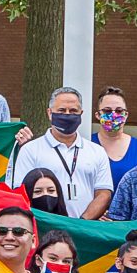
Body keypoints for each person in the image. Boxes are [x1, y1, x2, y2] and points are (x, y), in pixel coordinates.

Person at [13, 88, 116, 218]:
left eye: (73, 111)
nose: (67, 115)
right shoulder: (30, 150)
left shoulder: (97, 151)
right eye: (61, 110)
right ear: (50, 113)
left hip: (85, 228)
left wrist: (81, 223)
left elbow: (103, 194)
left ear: (81, 113)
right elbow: (21, 194)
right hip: (45, 227)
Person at [91, 87, 137, 185]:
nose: (114, 115)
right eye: (107, 111)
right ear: (98, 115)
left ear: (126, 114)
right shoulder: (86, 145)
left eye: (119, 111)